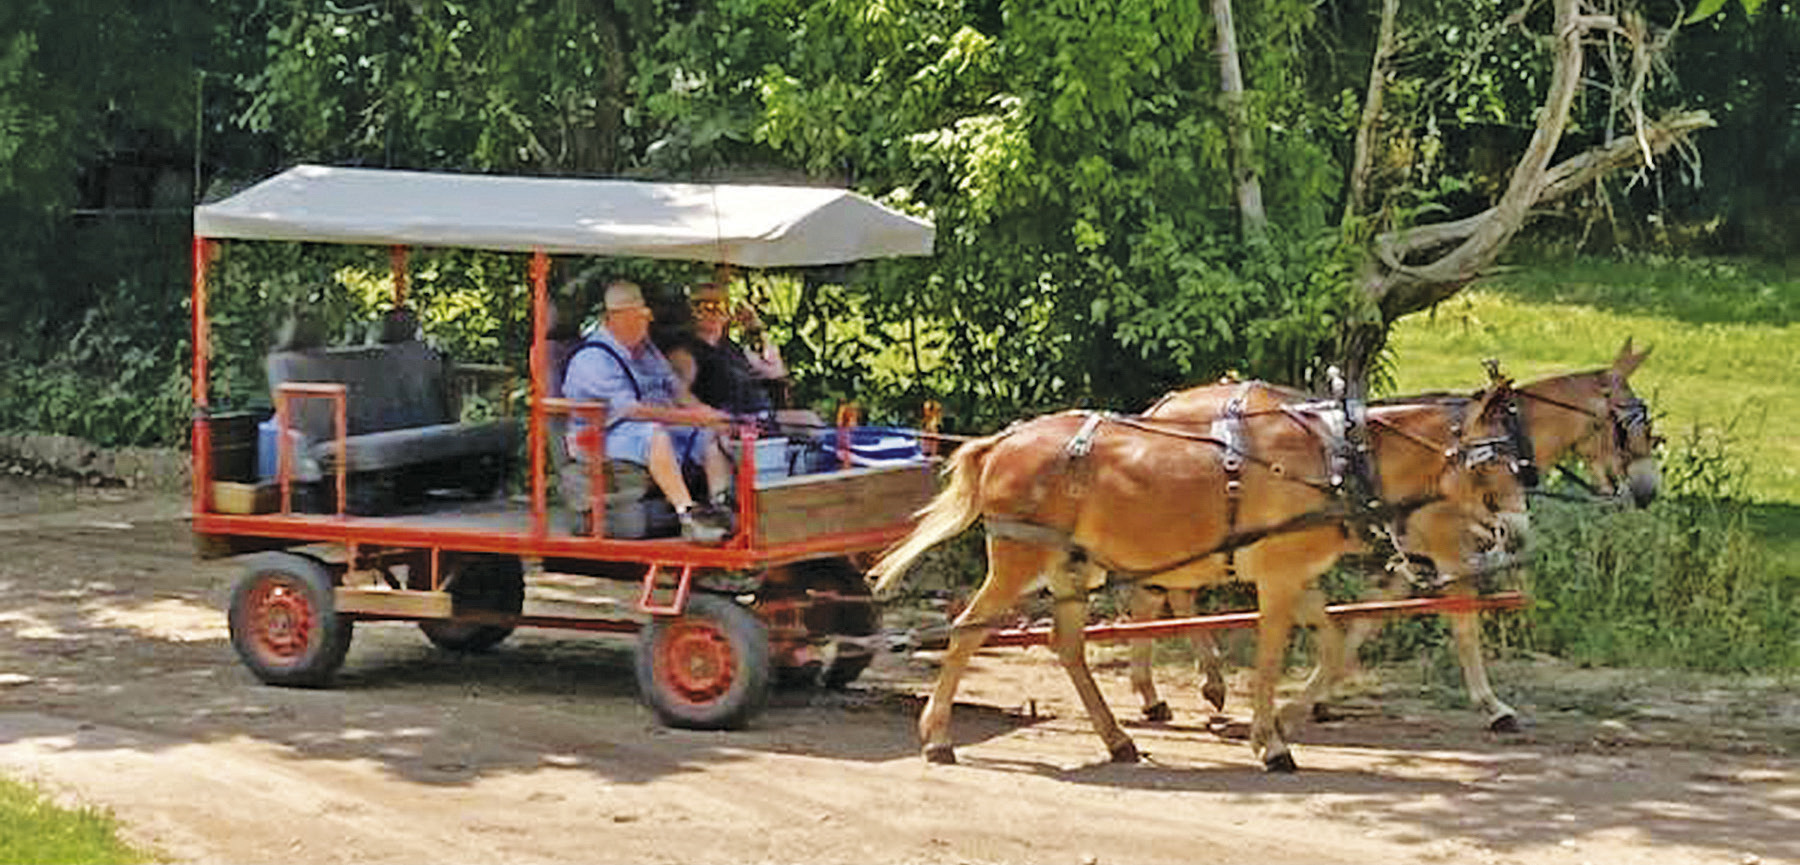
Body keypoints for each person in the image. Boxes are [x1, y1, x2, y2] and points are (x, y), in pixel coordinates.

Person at [561, 280, 735, 543]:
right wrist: (691, 417)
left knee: (708, 434)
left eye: (643, 318)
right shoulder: (592, 358)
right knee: (653, 435)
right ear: (613, 319)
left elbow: (675, 387)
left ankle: (721, 508)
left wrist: (705, 413)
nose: (643, 325)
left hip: (645, 426)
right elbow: (632, 411)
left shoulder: (646, 349)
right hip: (600, 436)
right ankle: (688, 514)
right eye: (635, 318)